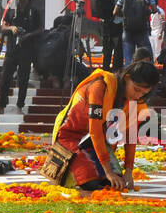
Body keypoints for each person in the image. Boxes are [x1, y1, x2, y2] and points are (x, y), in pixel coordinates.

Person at [47, 59, 158, 191]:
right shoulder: (100, 86)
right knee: (91, 183)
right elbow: (95, 130)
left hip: (95, 143)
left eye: (143, 94)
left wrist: (128, 170)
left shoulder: (134, 100)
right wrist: (108, 171)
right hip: (71, 137)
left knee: (116, 183)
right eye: (136, 89)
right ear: (126, 78)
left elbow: (131, 135)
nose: (138, 95)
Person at [0, 0, 38, 113]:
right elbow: (2, 27)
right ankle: (1, 106)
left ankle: (20, 106)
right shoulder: (11, 9)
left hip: (26, 49)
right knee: (5, 77)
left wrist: (27, 35)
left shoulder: (34, 11)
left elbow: (40, 30)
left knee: (23, 78)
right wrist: (11, 28)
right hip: (12, 49)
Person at [115, 0, 159, 69]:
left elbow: (115, 12)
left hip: (127, 30)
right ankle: (147, 76)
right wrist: (147, 12)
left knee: (129, 59)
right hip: (142, 29)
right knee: (146, 56)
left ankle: (129, 78)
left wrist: (125, 16)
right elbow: (154, 10)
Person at [97, 0, 130, 71]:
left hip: (105, 23)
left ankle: (105, 72)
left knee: (106, 51)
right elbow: (126, 7)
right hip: (117, 24)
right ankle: (116, 73)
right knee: (118, 50)